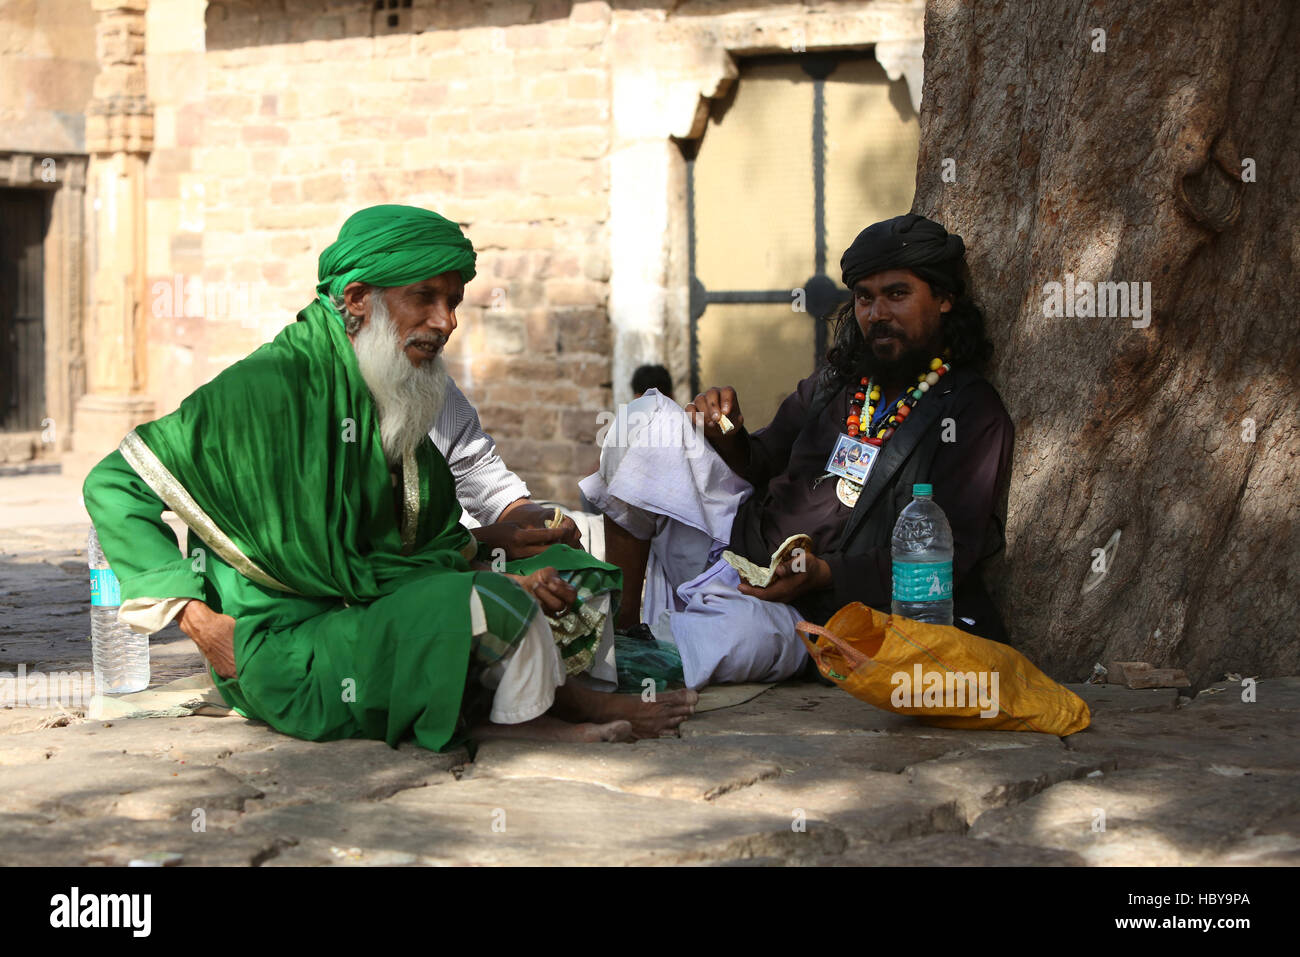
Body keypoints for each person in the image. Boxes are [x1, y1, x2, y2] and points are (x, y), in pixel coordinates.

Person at [83, 205, 697, 750]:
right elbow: (112, 482)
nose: (446, 320)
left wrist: (495, 549)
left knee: (560, 580)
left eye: (453, 301)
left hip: (365, 607)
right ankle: (544, 711)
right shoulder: (267, 385)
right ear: (355, 299)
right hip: (279, 645)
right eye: (425, 298)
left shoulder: (397, 386)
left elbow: (394, 544)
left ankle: (494, 707)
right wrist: (199, 622)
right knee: (479, 603)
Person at [580, 214, 1013, 690]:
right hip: (736, 546)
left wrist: (823, 574)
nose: (877, 313)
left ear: (945, 298)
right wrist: (726, 433)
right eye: (865, 298)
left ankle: (635, 656)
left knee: (734, 640)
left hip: (810, 608)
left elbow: (949, 556)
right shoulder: (840, 381)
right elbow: (761, 461)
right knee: (644, 422)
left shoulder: (970, 413)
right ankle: (624, 627)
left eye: (897, 294)